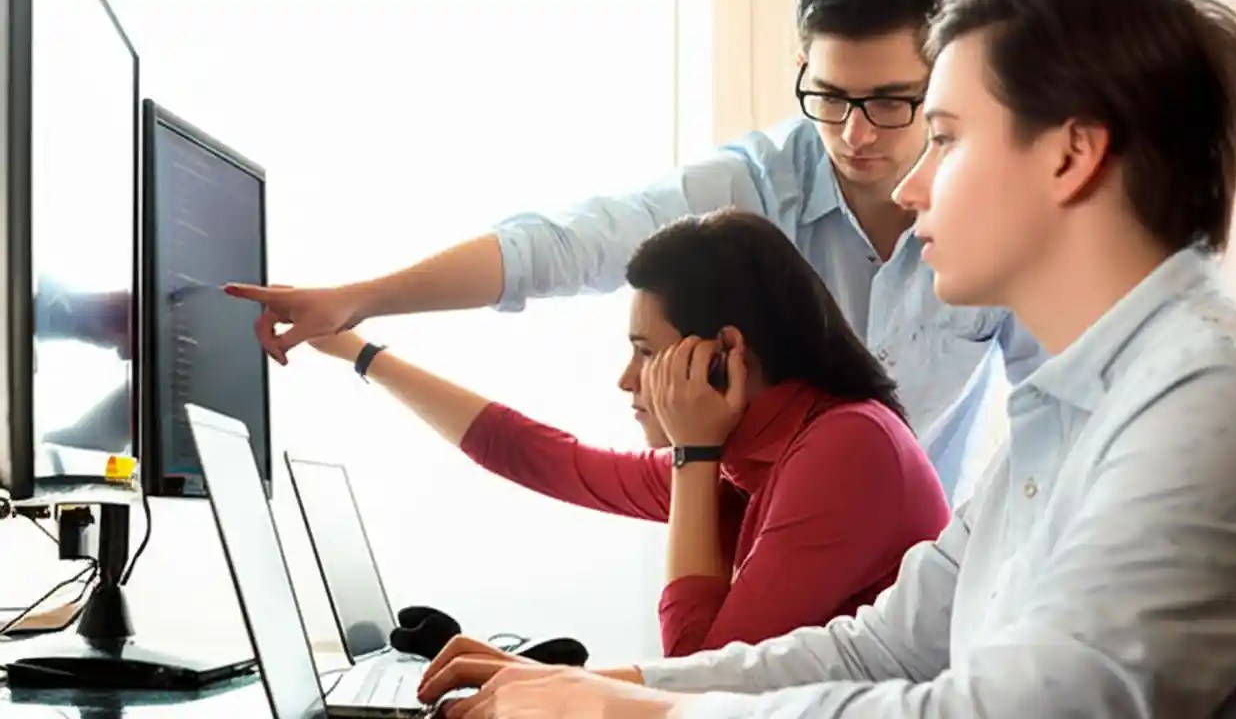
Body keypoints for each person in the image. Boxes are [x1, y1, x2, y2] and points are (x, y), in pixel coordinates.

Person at [413, 0, 1236, 716]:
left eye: (942, 136)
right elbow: (885, 645)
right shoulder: (1059, 417)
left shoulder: (1213, 403)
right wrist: (606, 683)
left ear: (1070, 154)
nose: (909, 185)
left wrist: (634, 710)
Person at [226, 0, 1047, 502]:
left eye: (891, 102)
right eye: (828, 98)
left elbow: (1056, 412)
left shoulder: (999, 209)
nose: (855, 133)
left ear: (942, 83)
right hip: (776, 565)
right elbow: (566, 248)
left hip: (925, 577)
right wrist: (361, 311)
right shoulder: (753, 189)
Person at [307, 209, 950, 658]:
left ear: (723, 354)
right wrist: (364, 354)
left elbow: (698, 675)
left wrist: (692, 452)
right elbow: (543, 458)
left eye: (645, 351)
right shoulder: (756, 454)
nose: (626, 379)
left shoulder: (847, 448)